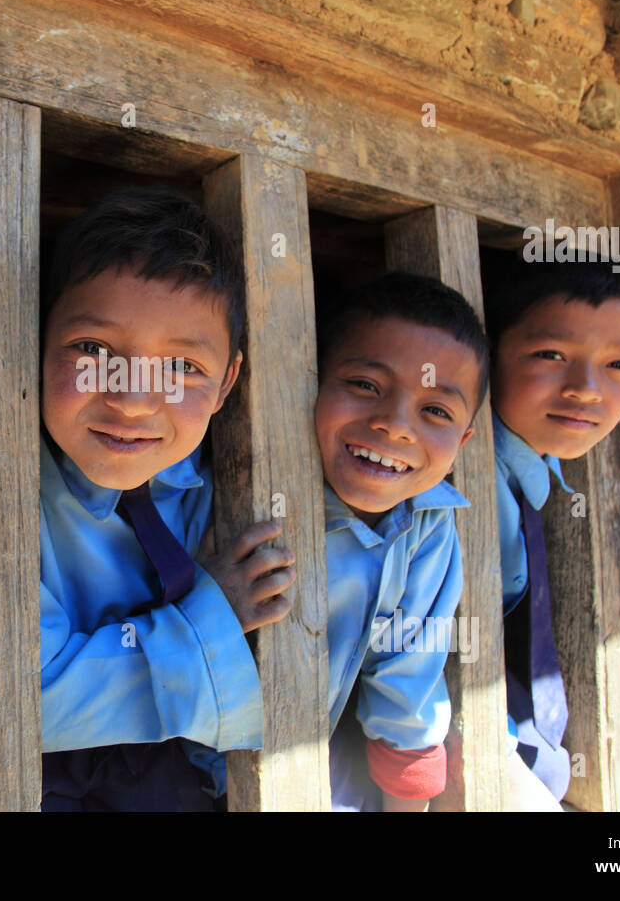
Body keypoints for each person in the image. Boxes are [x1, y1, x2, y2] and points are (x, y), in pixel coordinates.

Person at [38, 187, 294, 810]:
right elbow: (30, 699)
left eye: (181, 366)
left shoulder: (216, 492)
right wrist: (210, 620)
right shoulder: (5, 501)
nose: (132, 400)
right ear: (38, 340)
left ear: (228, 381)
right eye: (94, 351)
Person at [483, 261, 620, 809]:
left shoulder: (537, 472)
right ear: (488, 352)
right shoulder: (464, 483)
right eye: (551, 355)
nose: (586, 390)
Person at [315, 273, 488, 812]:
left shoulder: (428, 527)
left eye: (435, 411)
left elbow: (407, 681)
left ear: (461, 442)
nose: (393, 425)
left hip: (325, 750)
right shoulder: (241, 487)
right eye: (366, 385)